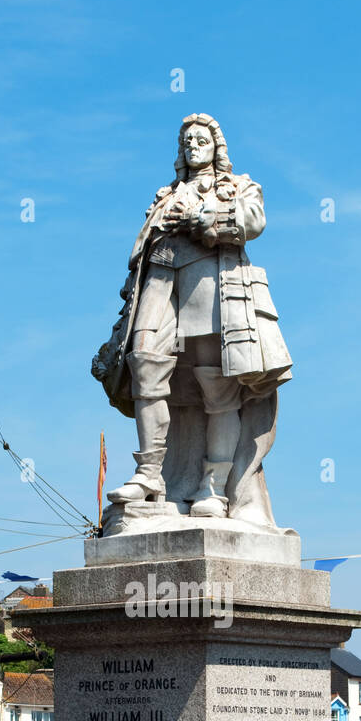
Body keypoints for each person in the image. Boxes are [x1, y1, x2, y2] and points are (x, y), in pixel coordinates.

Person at [92, 113, 292, 526]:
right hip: (161, 278)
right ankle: (149, 475)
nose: (193, 146)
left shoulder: (238, 185)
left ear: (216, 146)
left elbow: (253, 220)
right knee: (144, 361)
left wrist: (204, 218)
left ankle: (214, 487)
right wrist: (160, 226)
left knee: (217, 387)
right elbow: (139, 244)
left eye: (201, 140)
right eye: (187, 141)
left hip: (208, 281)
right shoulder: (165, 194)